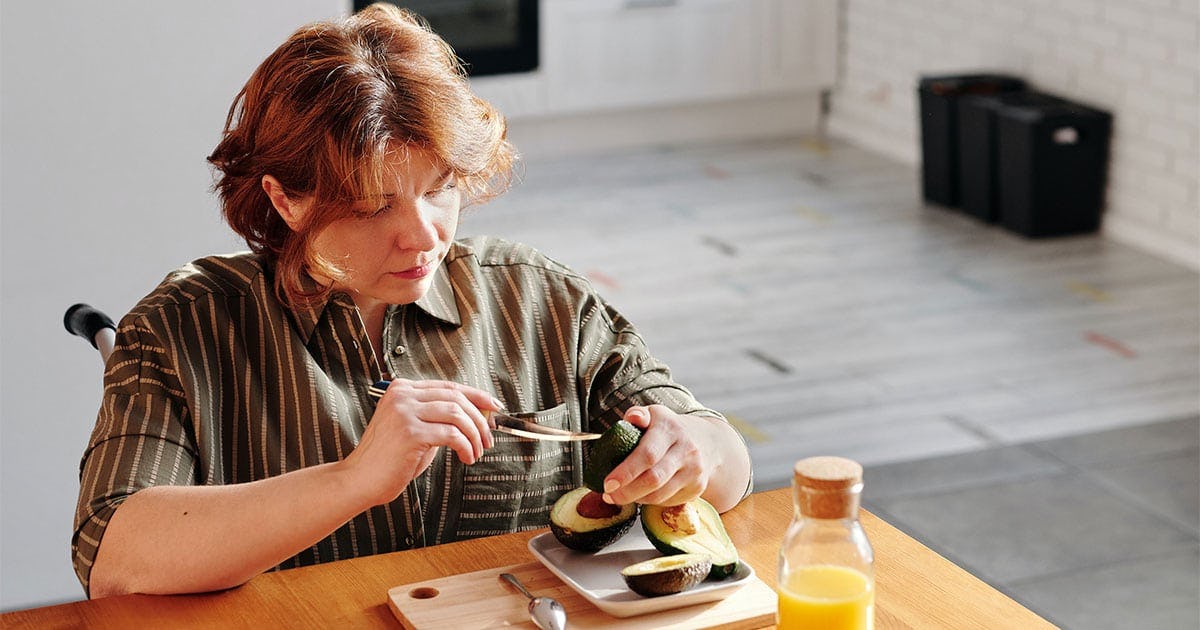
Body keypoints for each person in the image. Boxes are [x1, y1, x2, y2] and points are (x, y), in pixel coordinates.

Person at [73, 3, 752, 599]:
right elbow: (116, 557)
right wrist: (351, 480)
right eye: (374, 207)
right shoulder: (183, 327)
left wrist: (694, 450)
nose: (424, 235)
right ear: (287, 199)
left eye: (439, 188)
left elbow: (725, 459)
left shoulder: (537, 298)